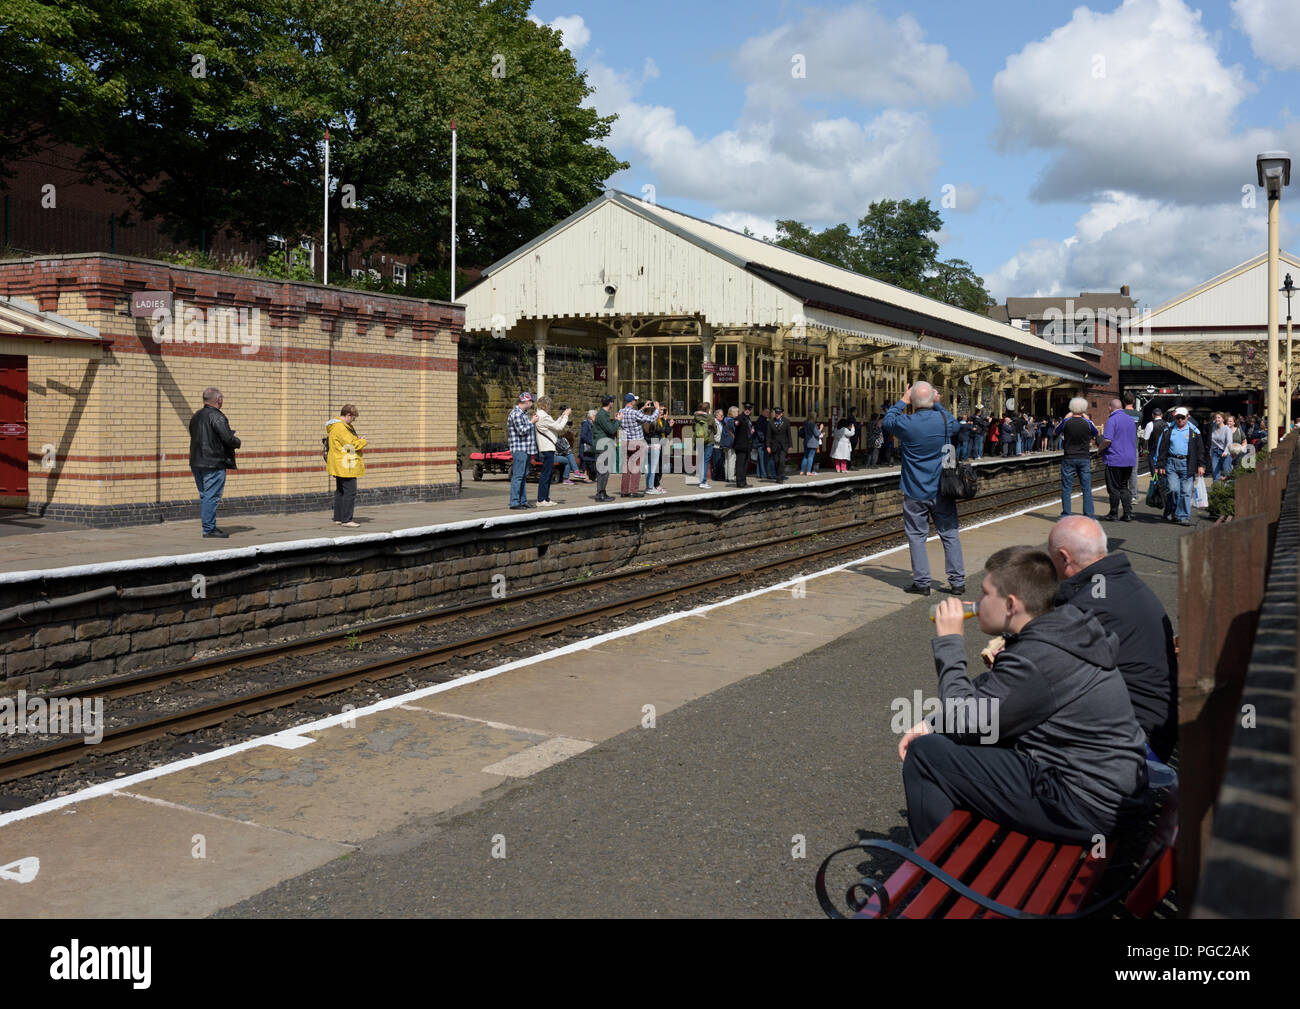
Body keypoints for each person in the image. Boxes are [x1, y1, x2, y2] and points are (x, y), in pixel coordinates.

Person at [899, 546, 1148, 847]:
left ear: (1010, 604)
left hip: (1085, 806)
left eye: (984, 593)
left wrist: (950, 643)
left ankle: (927, 877)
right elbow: (992, 695)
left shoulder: (1038, 655)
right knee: (949, 741)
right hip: (1110, 792)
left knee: (927, 755)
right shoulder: (1064, 629)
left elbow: (966, 721)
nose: (976, 602)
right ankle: (954, 854)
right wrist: (936, 721)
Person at [1048, 517, 1178, 762]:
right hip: (1155, 725)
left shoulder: (1087, 608)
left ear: (1064, 557)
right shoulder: (1123, 583)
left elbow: (1040, 683)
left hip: (1134, 747)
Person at [883, 381, 965, 596]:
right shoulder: (945, 421)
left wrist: (903, 399)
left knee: (917, 537)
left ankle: (922, 583)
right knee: (950, 534)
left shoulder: (907, 423)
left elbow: (888, 420)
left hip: (914, 489)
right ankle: (957, 582)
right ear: (933, 399)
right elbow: (956, 424)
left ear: (913, 401)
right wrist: (937, 403)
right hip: (943, 489)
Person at [188, 386, 240, 537]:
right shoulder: (217, 416)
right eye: (221, 398)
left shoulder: (196, 416)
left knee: (205, 495)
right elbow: (227, 438)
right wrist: (237, 441)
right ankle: (209, 529)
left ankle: (208, 526)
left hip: (197, 462)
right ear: (218, 400)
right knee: (212, 496)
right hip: (213, 462)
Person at [1152, 406, 1207, 526]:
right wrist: (1159, 464)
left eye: (1182, 417)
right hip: (1171, 463)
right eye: (1178, 418)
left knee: (1186, 492)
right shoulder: (1168, 430)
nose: (1180, 420)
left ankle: (1183, 516)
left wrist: (1201, 465)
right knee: (1173, 489)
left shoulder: (1194, 431)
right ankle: (1172, 510)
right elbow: (1161, 447)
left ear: (1188, 417)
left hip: (1188, 464)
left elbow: (1200, 450)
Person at [1054, 397, 1099, 518]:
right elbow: (1096, 433)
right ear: (1083, 409)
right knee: (1086, 487)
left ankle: (1066, 514)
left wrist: (1065, 418)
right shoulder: (1087, 423)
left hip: (1069, 457)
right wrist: (1089, 420)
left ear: (1071, 408)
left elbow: (1056, 431)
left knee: (1066, 488)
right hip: (1084, 457)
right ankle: (1089, 514)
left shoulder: (1066, 422)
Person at [325, 403, 367, 528]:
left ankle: (338, 517)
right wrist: (363, 441)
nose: (353, 420)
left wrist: (356, 438)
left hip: (339, 463)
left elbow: (346, 441)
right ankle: (347, 520)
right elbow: (351, 445)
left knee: (341, 491)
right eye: (353, 418)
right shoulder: (341, 427)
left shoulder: (336, 426)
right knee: (350, 492)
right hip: (346, 464)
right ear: (348, 415)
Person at [1099, 397, 1137, 522]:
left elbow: (1107, 440)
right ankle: (1127, 513)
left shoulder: (1112, 419)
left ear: (1110, 407)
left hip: (1115, 458)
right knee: (1124, 487)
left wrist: (1100, 450)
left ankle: (1113, 513)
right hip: (1129, 459)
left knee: (1114, 488)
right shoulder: (1130, 420)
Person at [532, 395, 570, 507]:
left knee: (547, 474)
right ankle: (541, 499)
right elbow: (558, 428)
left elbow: (553, 425)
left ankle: (545, 498)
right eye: (550, 405)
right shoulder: (544, 416)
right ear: (546, 405)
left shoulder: (540, 415)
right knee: (546, 474)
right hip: (547, 448)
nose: (551, 407)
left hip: (545, 448)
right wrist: (566, 417)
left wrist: (562, 416)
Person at [619, 393, 660, 498]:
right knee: (636, 467)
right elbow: (650, 419)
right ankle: (634, 491)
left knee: (626, 468)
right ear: (632, 402)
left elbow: (636, 415)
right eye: (635, 400)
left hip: (625, 442)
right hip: (636, 442)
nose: (635, 402)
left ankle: (624, 491)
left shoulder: (621, 412)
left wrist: (643, 408)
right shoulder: (634, 413)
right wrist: (657, 409)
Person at [506, 392, 539, 510]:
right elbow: (522, 431)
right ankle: (514, 502)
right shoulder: (515, 414)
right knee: (518, 476)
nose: (532, 404)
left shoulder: (523, 414)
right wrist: (532, 422)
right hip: (519, 449)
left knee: (523, 476)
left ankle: (523, 500)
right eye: (531, 402)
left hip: (526, 449)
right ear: (526, 402)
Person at [592, 395, 620, 502]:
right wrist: (618, 421)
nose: (613, 403)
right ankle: (600, 494)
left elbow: (607, 428)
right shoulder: (602, 415)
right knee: (603, 471)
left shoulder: (603, 414)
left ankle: (602, 492)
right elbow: (611, 429)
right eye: (612, 401)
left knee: (604, 471)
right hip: (602, 446)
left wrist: (615, 420)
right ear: (610, 403)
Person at [644, 408, 672, 494]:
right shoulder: (655, 422)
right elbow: (663, 430)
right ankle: (651, 487)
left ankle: (648, 486)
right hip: (655, 444)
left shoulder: (644, 422)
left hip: (647, 445)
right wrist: (666, 421)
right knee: (653, 468)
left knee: (648, 467)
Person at [767, 406, 792, 482]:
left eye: (779, 413)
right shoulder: (771, 422)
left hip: (784, 445)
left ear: (782, 414)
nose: (777, 414)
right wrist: (768, 446)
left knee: (781, 461)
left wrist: (790, 445)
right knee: (776, 461)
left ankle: (780, 477)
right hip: (774, 445)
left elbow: (789, 434)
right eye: (776, 413)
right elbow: (768, 436)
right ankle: (778, 476)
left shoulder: (786, 421)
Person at [692, 401, 713, 489]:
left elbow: (693, 428)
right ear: (708, 409)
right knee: (705, 461)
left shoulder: (696, 417)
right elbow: (715, 428)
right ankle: (703, 482)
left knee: (700, 460)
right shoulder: (710, 417)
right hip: (708, 440)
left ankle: (700, 479)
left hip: (699, 439)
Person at [734, 403, 754, 488]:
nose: (747, 410)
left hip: (747, 445)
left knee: (745, 465)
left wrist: (751, 431)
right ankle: (739, 482)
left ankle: (744, 481)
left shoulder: (748, 418)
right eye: (746, 408)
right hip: (741, 445)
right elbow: (736, 423)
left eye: (749, 409)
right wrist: (737, 423)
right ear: (744, 409)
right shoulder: (740, 417)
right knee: (740, 464)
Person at [1209, 412, 1232, 482]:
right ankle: (1216, 491)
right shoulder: (1214, 428)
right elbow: (1213, 442)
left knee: (1226, 472)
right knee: (1215, 473)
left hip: (1225, 452)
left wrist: (1225, 452)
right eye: (1216, 417)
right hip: (1215, 452)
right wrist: (1210, 452)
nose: (1217, 419)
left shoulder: (1227, 429)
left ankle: (1228, 491)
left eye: (1219, 417)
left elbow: (1229, 441)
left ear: (1223, 419)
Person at [579, 409, 598, 481]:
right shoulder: (586, 423)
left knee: (591, 461)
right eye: (595, 416)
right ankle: (585, 476)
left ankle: (590, 476)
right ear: (592, 416)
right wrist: (591, 442)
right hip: (585, 447)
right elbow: (583, 436)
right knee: (585, 461)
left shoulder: (592, 424)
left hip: (590, 447)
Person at [722, 405, 738, 483]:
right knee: (732, 460)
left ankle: (727, 477)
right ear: (733, 412)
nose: (738, 413)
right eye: (737, 412)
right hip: (731, 443)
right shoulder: (732, 421)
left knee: (727, 460)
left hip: (725, 443)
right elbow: (735, 431)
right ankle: (731, 477)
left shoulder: (725, 420)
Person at [752, 407, 770, 480]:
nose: (767, 413)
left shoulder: (763, 420)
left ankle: (759, 473)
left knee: (760, 459)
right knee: (763, 459)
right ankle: (763, 474)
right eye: (766, 412)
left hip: (761, 442)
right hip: (761, 443)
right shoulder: (761, 420)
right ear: (762, 412)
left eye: (768, 412)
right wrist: (764, 439)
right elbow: (759, 432)